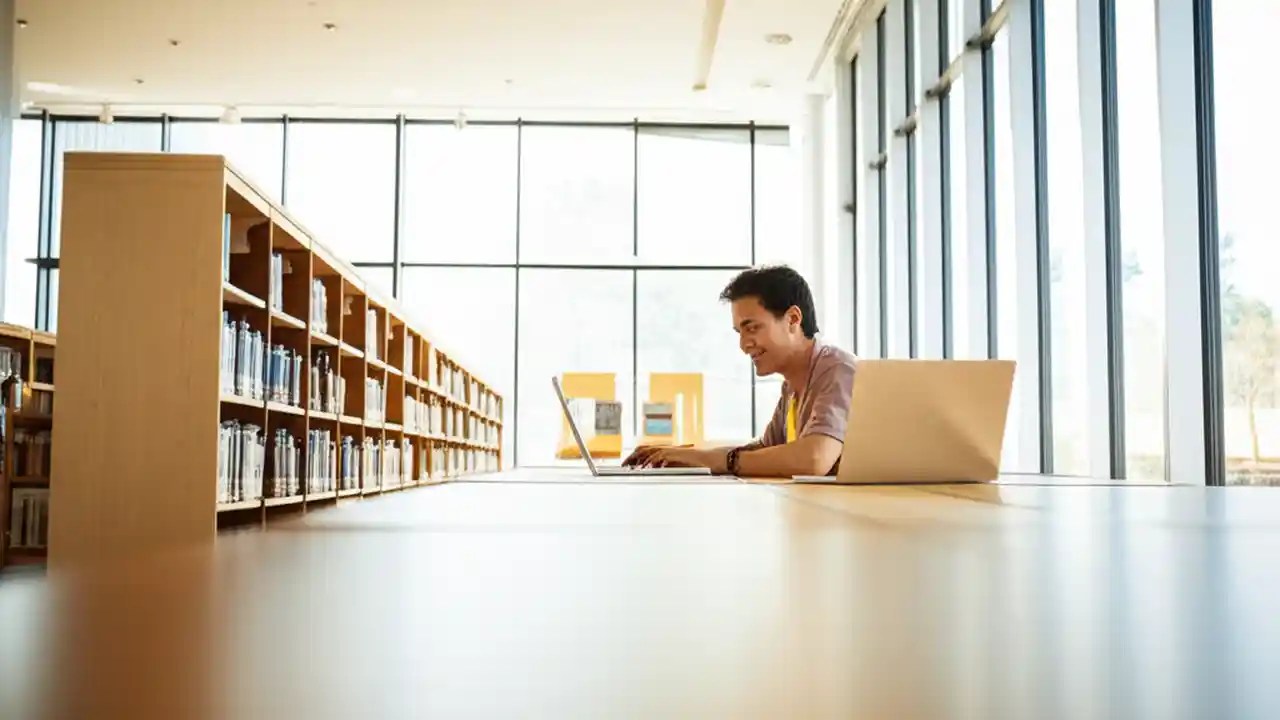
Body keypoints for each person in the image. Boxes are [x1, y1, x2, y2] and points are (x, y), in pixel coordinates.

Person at [623, 265, 856, 477]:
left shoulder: (837, 370)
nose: (744, 345)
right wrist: (689, 454)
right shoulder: (793, 384)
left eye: (752, 328)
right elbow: (766, 450)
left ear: (793, 319)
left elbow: (813, 460)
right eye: (740, 333)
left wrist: (718, 459)